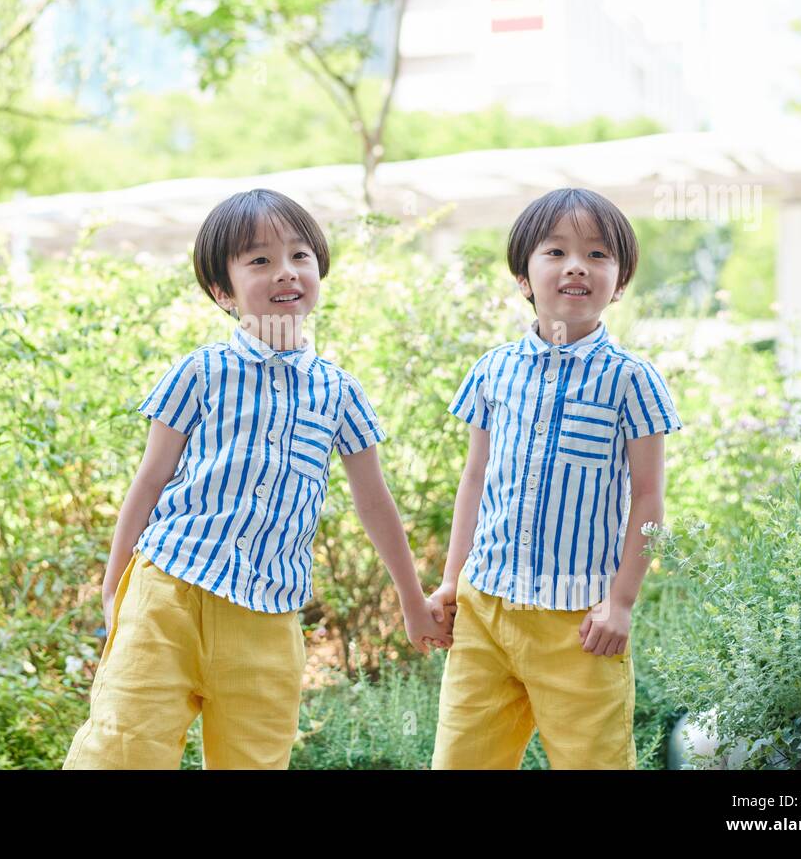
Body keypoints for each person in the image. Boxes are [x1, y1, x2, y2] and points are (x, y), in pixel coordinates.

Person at [64, 188, 452, 770]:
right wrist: (116, 583)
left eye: (300, 255)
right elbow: (149, 482)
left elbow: (374, 502)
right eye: (260, 261)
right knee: (122, 749)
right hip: (170, 594)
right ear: (223, 290)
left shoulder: (338, 391)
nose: (286, 272)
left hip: (268, 619)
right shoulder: (200, 372)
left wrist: (411, 598)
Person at [428, 187, 681, 769]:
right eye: (555, 252)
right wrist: (450, 580)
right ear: (523, 278)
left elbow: (648, 498)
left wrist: (620, 603)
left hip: (580, 624)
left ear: (618, 283)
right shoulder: (493, 370)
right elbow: (475, 478)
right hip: (484, 612)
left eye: (597, 254)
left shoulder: (631, 379)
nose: (576, 265)